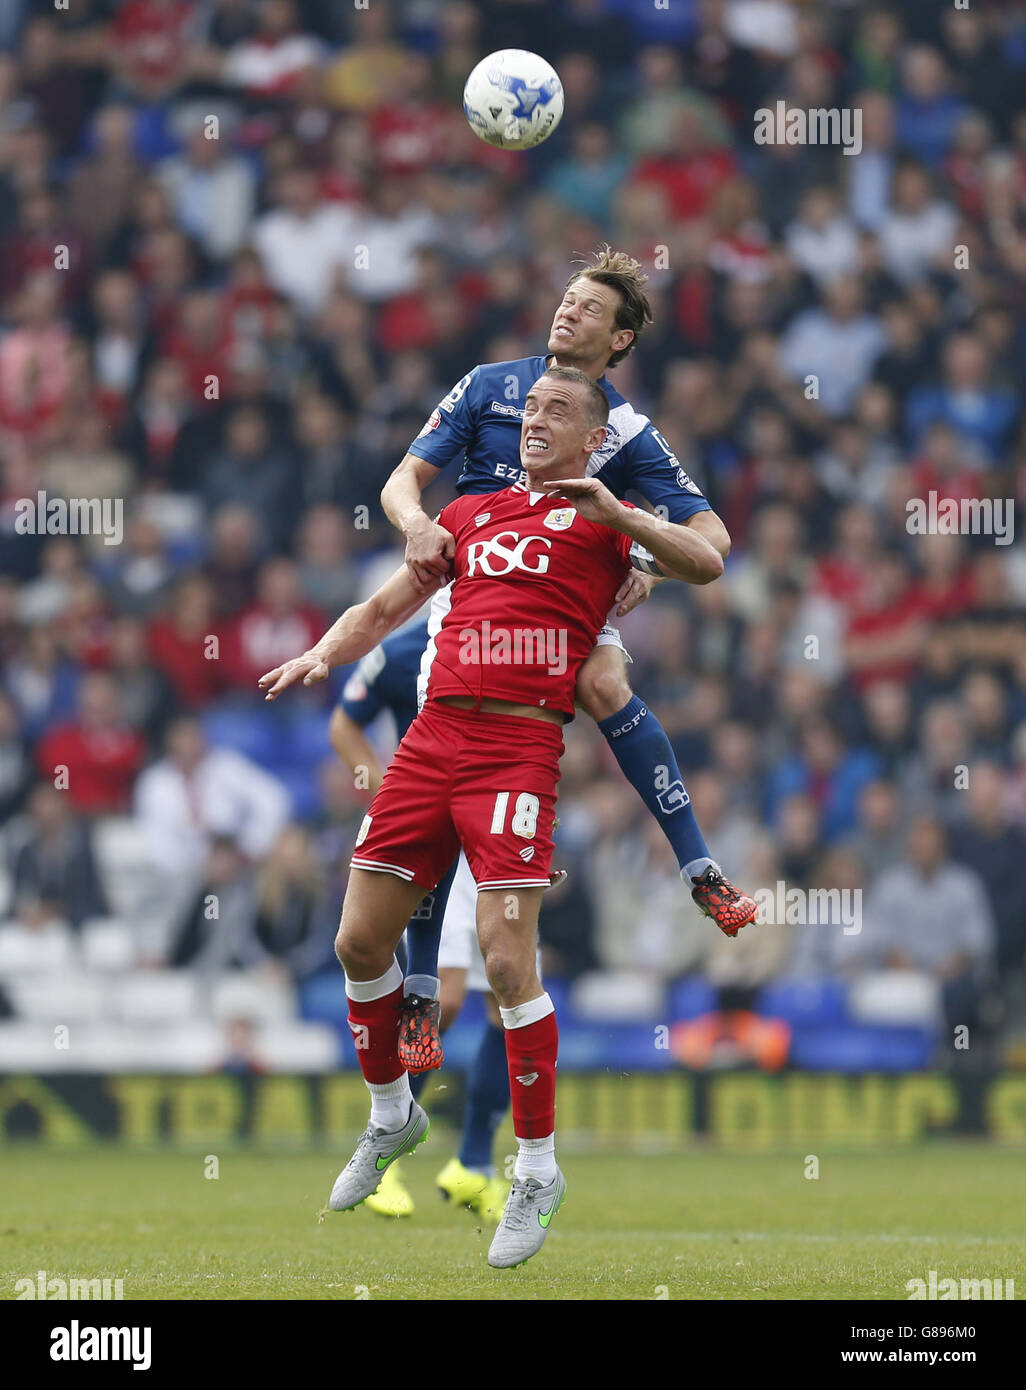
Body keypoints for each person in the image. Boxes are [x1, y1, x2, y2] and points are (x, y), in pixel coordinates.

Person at [260, 366, 729, 1268]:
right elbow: (387, 605)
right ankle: (394, 1114)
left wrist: (624, 517)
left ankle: (538, 1170)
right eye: (531, 409)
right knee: (359, 943)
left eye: (559, 410)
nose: (534, 419)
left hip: (517, 751)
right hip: (431, 739)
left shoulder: (609, 524)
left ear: (597, 437)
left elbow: (706, 562)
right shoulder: (469, 516)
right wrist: (322, 651)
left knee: (508, 959)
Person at [378, 246, 757, 1068]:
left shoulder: (619, 426)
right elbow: (404, 479)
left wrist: (648, 562)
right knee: (440, 755)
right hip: (476, 584)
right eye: (569, 298)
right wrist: (415, 524)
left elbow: (713, 538)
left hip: (568, 591)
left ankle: (700, 869)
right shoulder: (484, 384)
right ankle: (417, 986)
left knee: (604, 676)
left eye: (590, 309)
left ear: (619, 341)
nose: (568, 311)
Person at [330, 615, 512, 1224]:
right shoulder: (403, 647)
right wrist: (379, 788)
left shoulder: (511, 636)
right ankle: (393, 1149)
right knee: (446, 999)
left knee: (501, 999)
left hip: (487, 823)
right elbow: (345, 722)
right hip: (426, 828)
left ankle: (475, 1164)